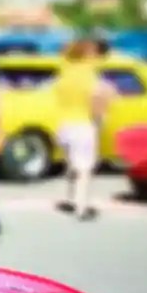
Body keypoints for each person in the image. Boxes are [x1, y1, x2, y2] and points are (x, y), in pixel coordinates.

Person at [55, 38, 115, 221]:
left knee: (72, 164)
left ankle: (70, 198)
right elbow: (97, 97)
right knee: (84, 169)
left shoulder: (65, 73)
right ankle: (81, 206)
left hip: (63, 124)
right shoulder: (89, 75)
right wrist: (101, 116)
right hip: (82, 124)